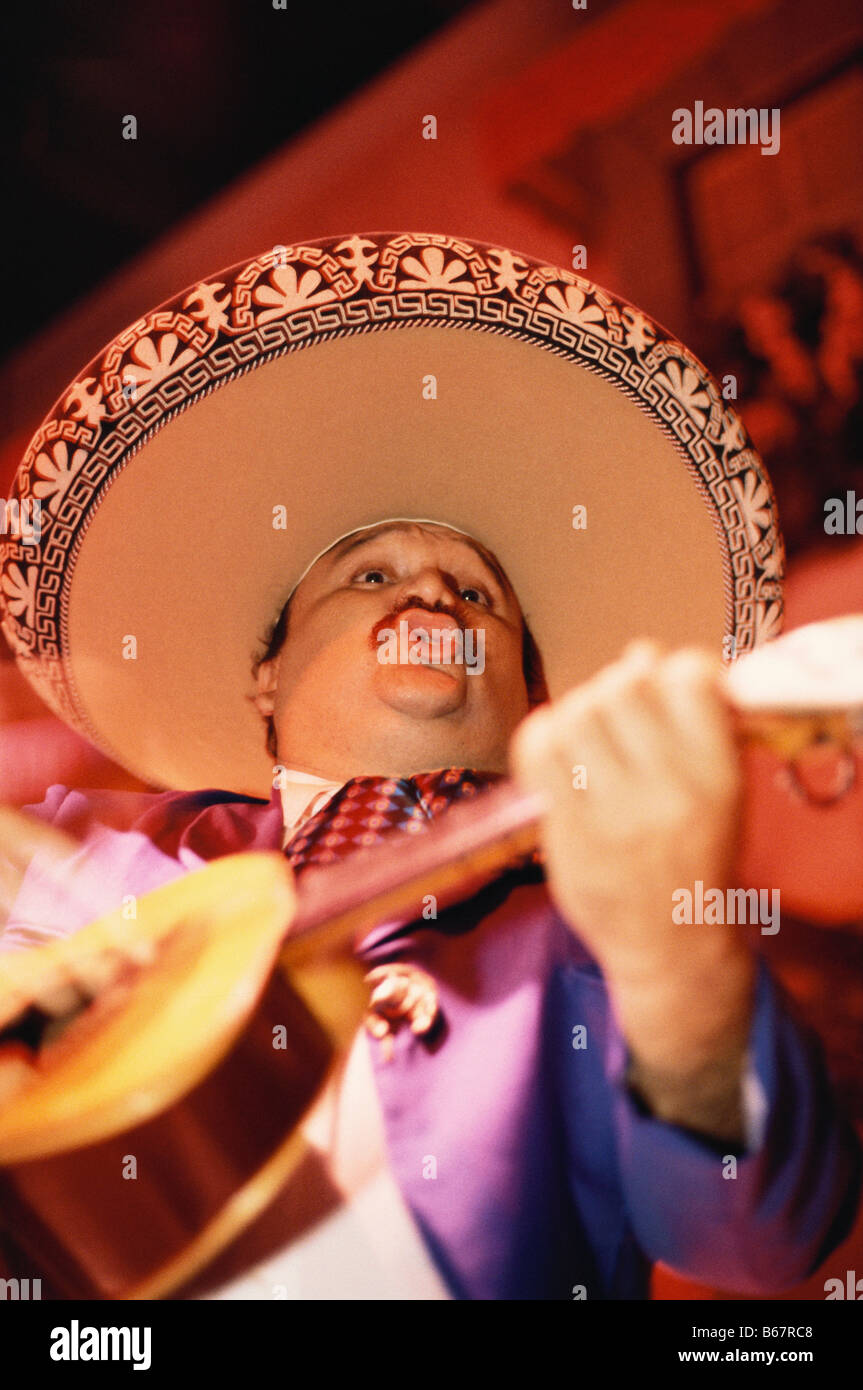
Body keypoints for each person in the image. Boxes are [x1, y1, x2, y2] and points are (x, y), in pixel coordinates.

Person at [0, 231, 859, 1300]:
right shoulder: (89, 846)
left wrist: (674, 956)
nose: (433, 601)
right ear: (265, 675)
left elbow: (760, 1243)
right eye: (369, 571)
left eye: (478, 595)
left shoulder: (598, 929)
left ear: (530, 706)